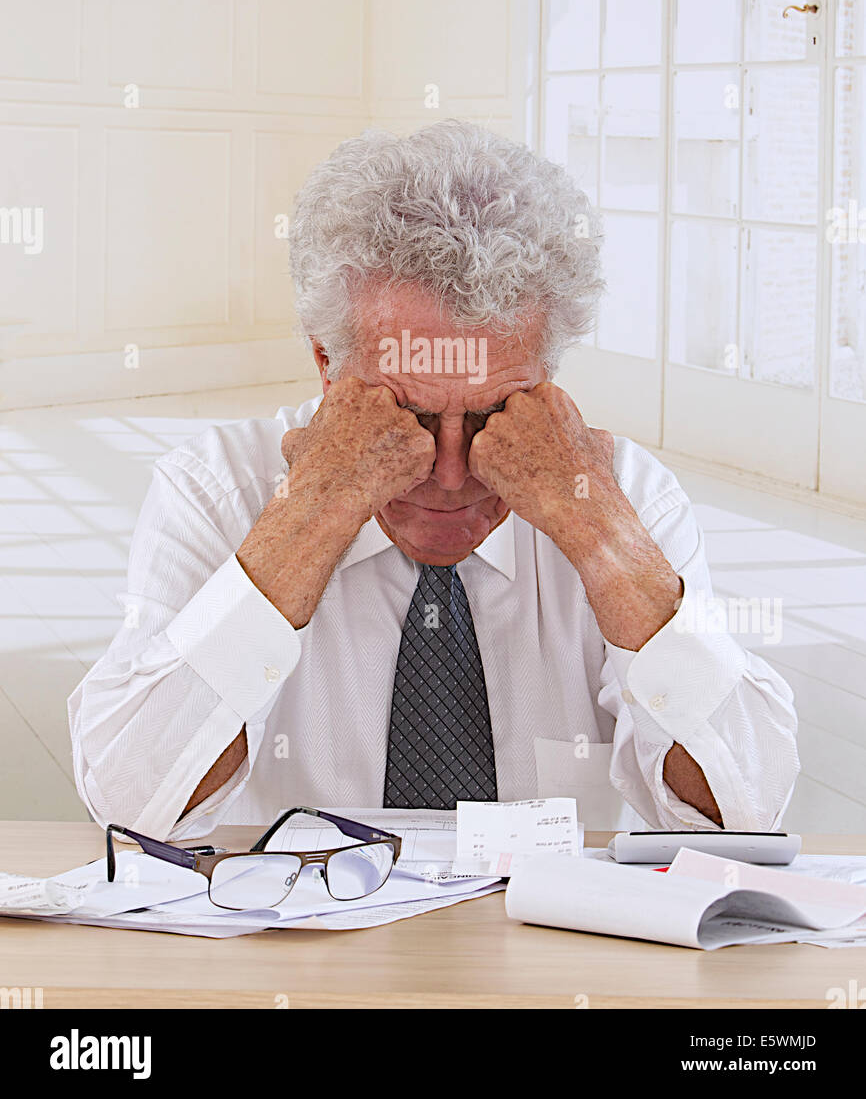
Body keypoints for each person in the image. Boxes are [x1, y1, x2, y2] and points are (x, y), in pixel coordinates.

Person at [68, 120, 799, 839]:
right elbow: (133, 810)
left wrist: (603, 539)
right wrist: (312, 512)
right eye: (406, 416)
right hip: (293, 942)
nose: (450, 477)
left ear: (547, 380)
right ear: (327, 365)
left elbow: (747, 815)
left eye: (491, 417)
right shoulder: (217, 488)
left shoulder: (624, 497)